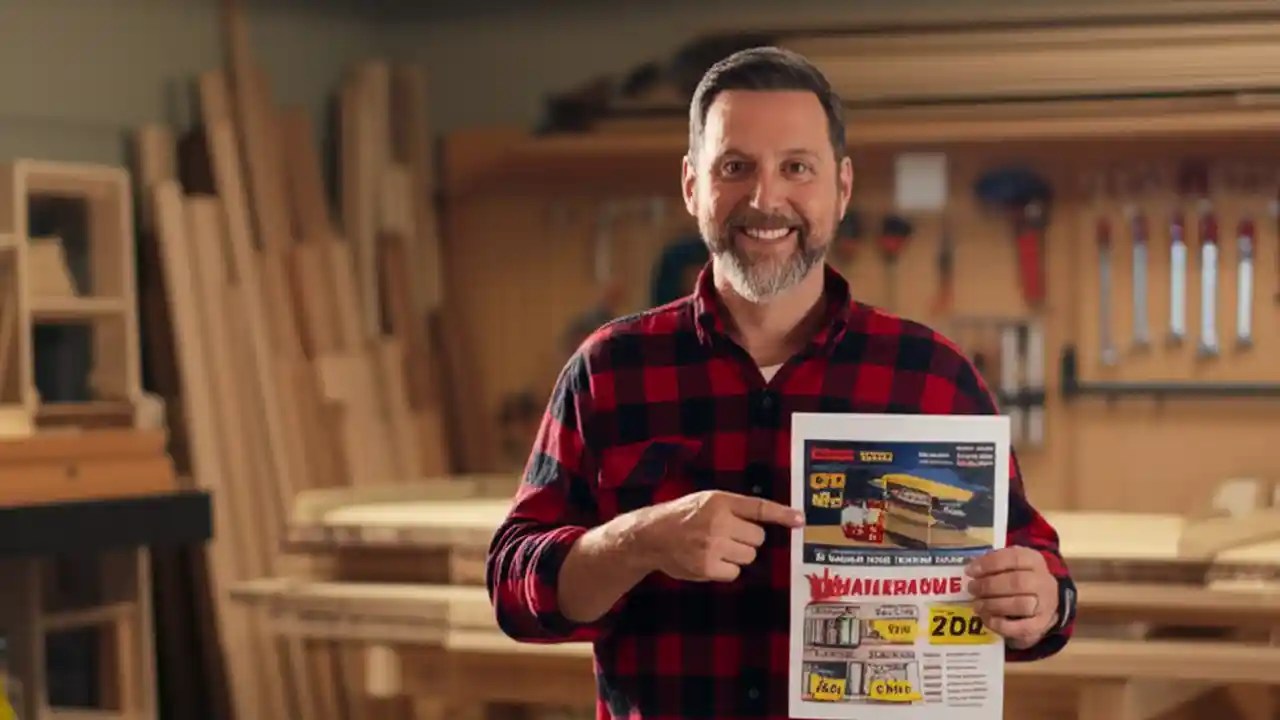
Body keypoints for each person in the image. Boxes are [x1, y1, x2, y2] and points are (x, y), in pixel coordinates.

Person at [485, 46, 1076, 719]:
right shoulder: (608, 371)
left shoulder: (933, 377)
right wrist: (638, 541)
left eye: (797, 167)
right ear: (690, 185)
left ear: (842, 187)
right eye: (735, 167)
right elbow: (513, 590)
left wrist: (1041, 600)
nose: (765, 198)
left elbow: (1041, 578)